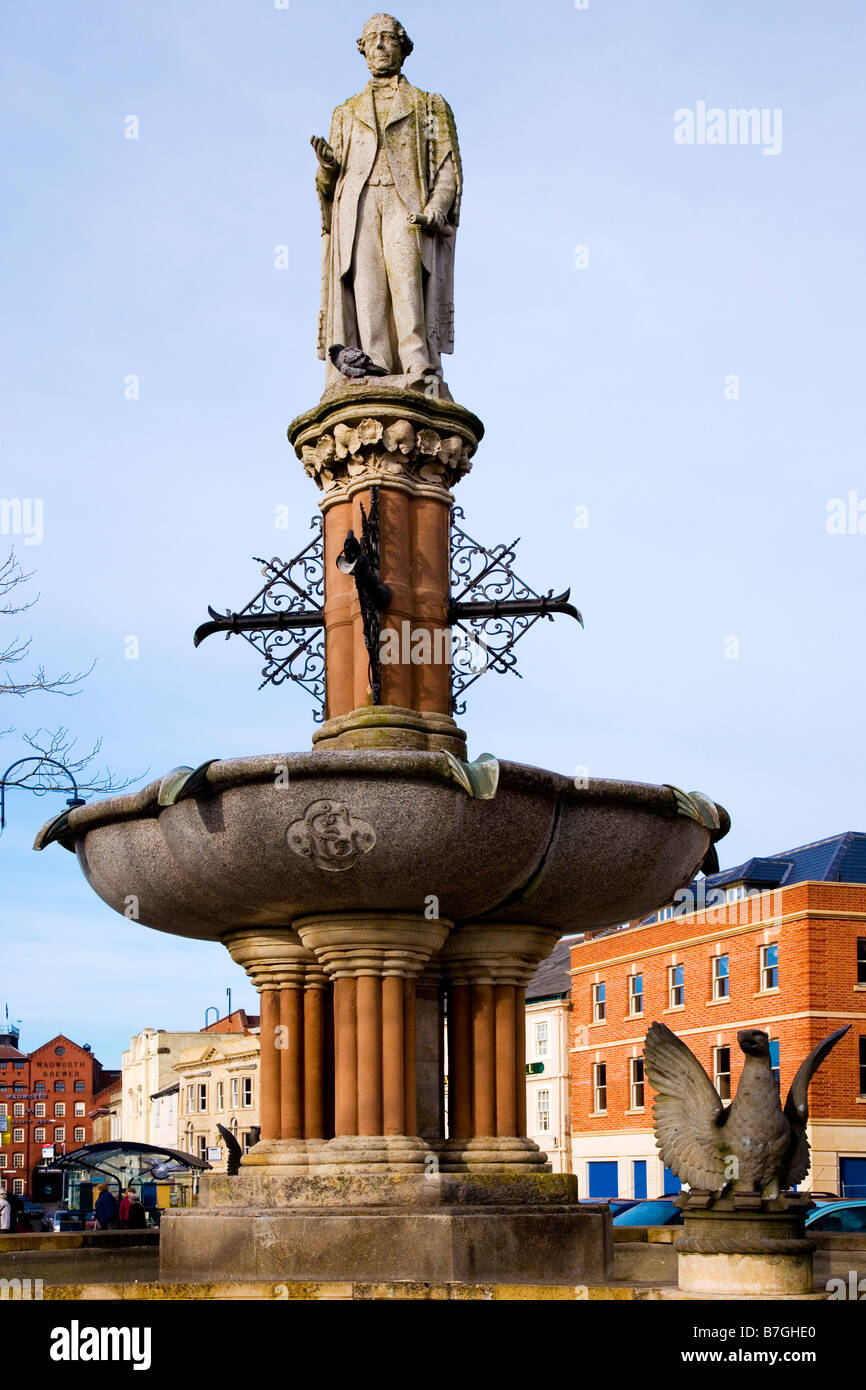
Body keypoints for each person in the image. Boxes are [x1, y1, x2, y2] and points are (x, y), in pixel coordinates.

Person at [312, 13, 462, 386]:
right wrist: (328, 168)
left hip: (404, 205)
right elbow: (328, 186)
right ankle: (374, 362)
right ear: (362, 51)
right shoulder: (345, 113)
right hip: (358, 207)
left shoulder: (428, 106)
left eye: (387, 38)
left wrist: (435, 208)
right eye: (372, 40)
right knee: (367, 289)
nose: (380, 46)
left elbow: (446, 169)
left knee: (407, 285)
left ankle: (416, 362)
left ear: (402, 46)